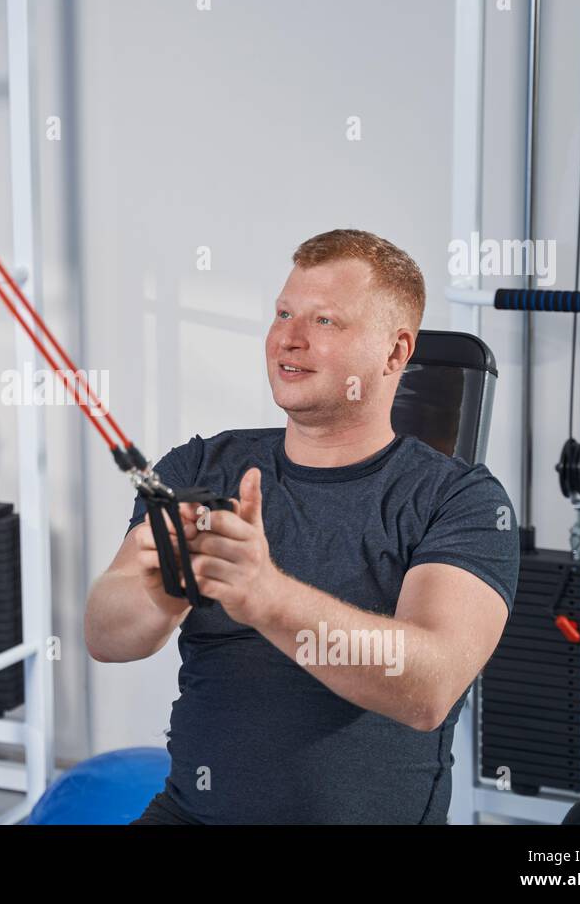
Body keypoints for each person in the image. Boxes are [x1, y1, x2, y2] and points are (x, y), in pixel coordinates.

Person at [85, 229, 519, 824]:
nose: (288, 338)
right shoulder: (200, 467)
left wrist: (265, 596)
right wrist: (168, 582)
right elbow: (107, 637)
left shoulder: (462, 501)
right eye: (284, 313)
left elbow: (428, 689)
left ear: (395, 354)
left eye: (325, 321)